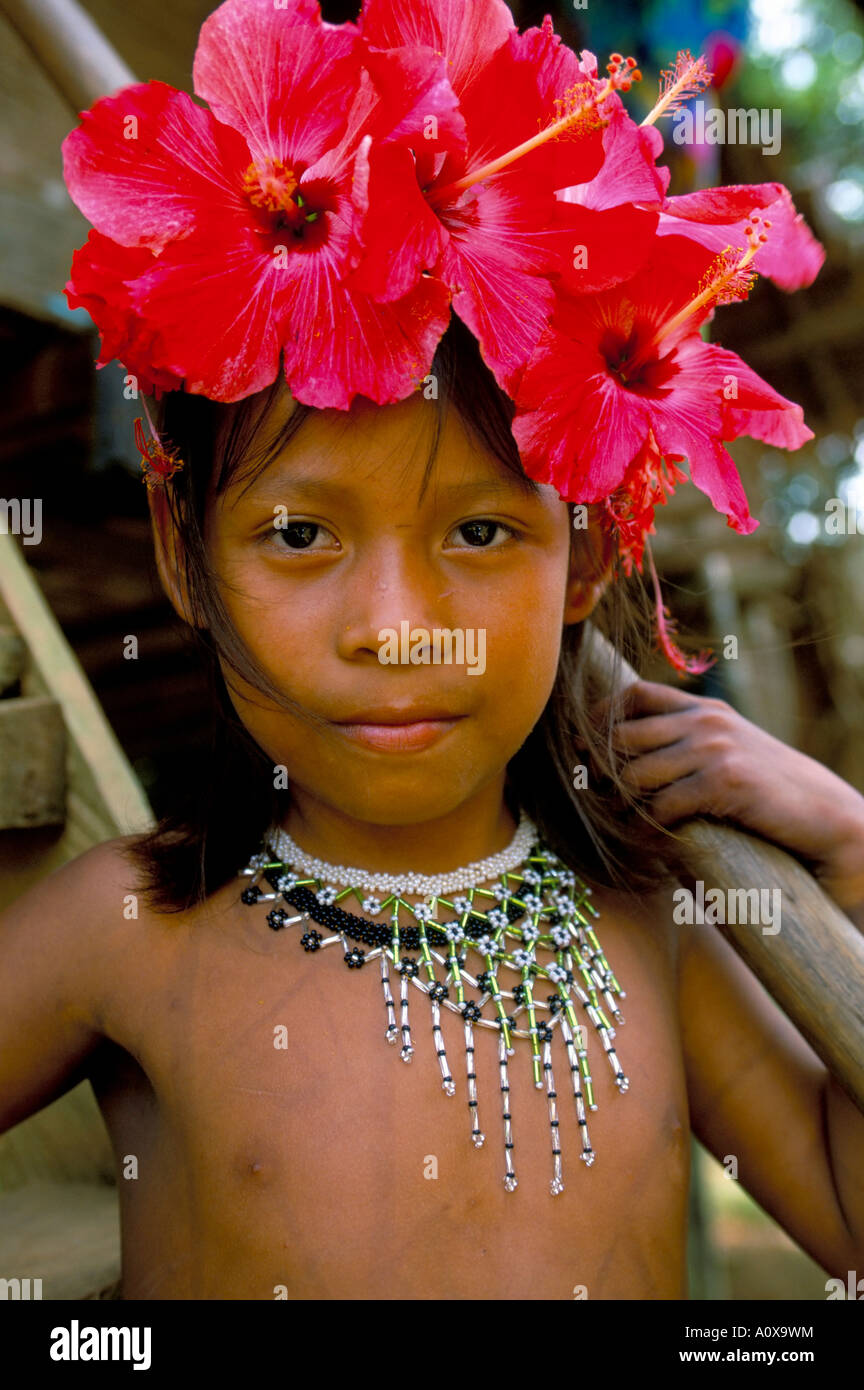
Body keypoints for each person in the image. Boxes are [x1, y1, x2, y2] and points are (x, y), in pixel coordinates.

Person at [2, 0, 863, 1300]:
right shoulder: (125, 931)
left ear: (587, 556)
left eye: (478, 527)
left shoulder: (658, 937)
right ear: (184, 554)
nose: (395, 624)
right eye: (299, 533)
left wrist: (854, 854)